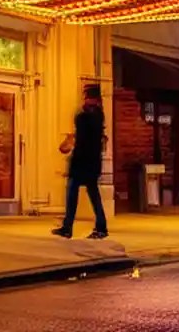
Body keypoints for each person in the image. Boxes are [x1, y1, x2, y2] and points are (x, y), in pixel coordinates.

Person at [52, 84, 108, 240]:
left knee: (74, 192)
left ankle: (69, 227)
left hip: (83, 161)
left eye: (87, 96)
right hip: (90, 161)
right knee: (90, 192)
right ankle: (98, 226)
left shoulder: (89, 116)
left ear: (94, 99)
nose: (84, 99)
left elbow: (83, 135)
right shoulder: (97, 116)